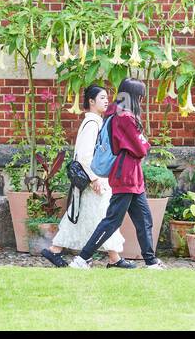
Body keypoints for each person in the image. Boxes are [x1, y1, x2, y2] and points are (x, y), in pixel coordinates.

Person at [70, 78, 165, 270]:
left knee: (144, 219)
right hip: (126, 175)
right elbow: (141, 148)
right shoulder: (125, 117)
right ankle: (82, 259)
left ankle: (151, 261)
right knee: (112, 221)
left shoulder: (116, 114)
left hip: (131, 176)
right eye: (140, 96)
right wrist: (145, 142)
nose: (141, 100)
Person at [42, 85, 125, 267]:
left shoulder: (96, 122)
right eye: (102, 98)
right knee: (103, 216)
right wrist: (94, 178)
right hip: (93, 179)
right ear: (91, 101)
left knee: (88, 216)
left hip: (94, 179)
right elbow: (85, 155)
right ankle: (114, 259)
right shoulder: (92, 124)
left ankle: (55, 250)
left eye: (106, 98)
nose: (106, 101)